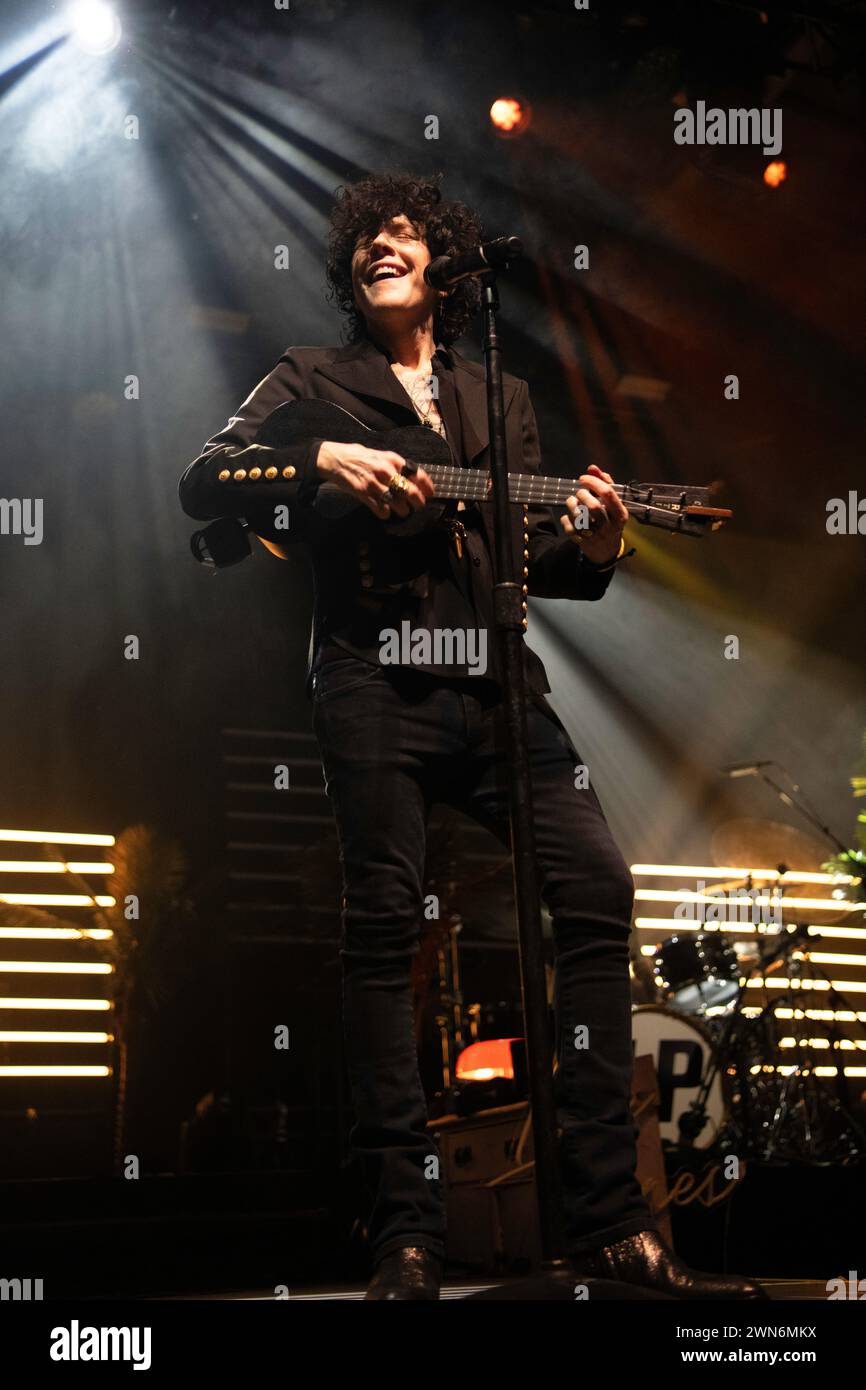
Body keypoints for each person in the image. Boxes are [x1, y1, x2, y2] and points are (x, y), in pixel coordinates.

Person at [179, 172, 766, 1301]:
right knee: (383, 927)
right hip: (371, 685)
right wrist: (322, 460)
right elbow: (204, 478)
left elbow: (534, 567)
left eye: (406, 233)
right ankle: (406, 1231)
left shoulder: (500, 399)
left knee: (593, 885)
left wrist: (594, 547)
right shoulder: (312, 377)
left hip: (496, 685)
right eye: (367, 238)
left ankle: (606, 1214)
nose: (383, 246)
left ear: (446, 266)